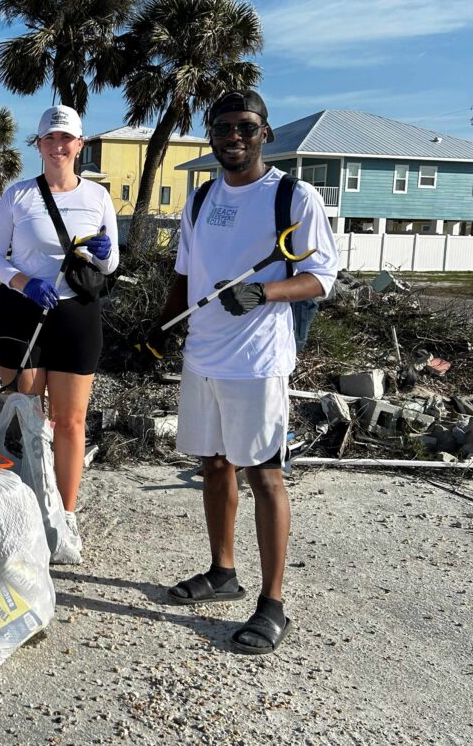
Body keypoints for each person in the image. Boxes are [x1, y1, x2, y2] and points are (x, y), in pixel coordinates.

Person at [146, 90, 338, 654]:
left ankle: (273, 604)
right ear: (212, 134)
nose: (233, 136)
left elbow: (322, 276)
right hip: (202, 356)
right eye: (223, 126)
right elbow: (185, 272)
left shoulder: (293, 197)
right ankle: (222, 572)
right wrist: (161, 330)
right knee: (213, 464)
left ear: (264, 132)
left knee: (265, 475)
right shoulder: (201, 198)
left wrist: (266, 292)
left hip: (257, 363)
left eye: (245, 126)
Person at [0, 105, 119, 553]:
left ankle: (64, 515)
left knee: (70, 421)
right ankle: (20, 512)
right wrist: (24, 281)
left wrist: (101, 252)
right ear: (38, 145)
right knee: (25, 417)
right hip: (23, 311)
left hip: (76, 313)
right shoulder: (18, 196)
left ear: (80, 145)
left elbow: (111, 261)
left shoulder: (98, 197)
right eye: (50, 139)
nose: (58, 147)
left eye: (67, 139)